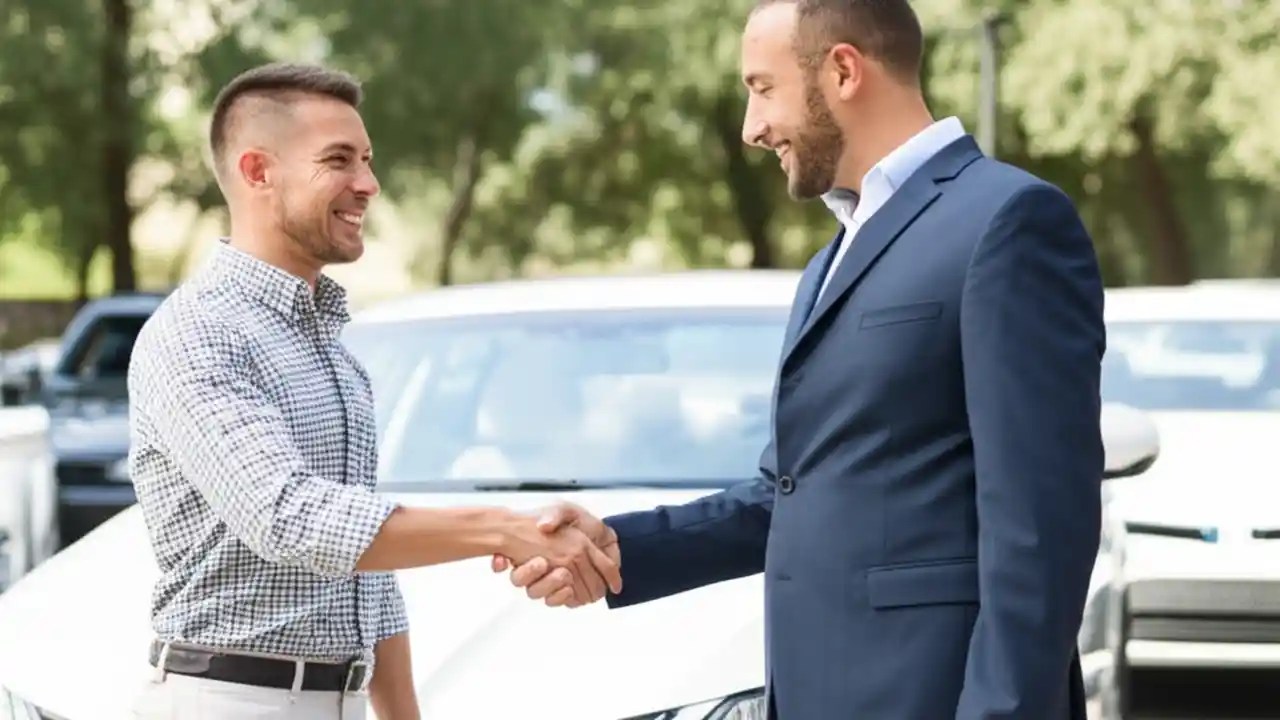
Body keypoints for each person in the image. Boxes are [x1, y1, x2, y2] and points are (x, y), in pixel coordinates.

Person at [495, 1, 1106, 717]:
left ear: (843, 69)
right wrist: (614, 551)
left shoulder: (1009, 223)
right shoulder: (829, 261)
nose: (752, 129)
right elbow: (785, 492)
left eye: (762, 87)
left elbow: (1040, 528)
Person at [125, 62, 620, 720]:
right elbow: (292, 521)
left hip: (340, 702)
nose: (368, 184)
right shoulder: (198, 334)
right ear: (257, 172)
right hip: (228, 702)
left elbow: (365, 574)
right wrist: (507, 528)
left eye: (367, 160)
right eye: (339, 160)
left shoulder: (332, 352)